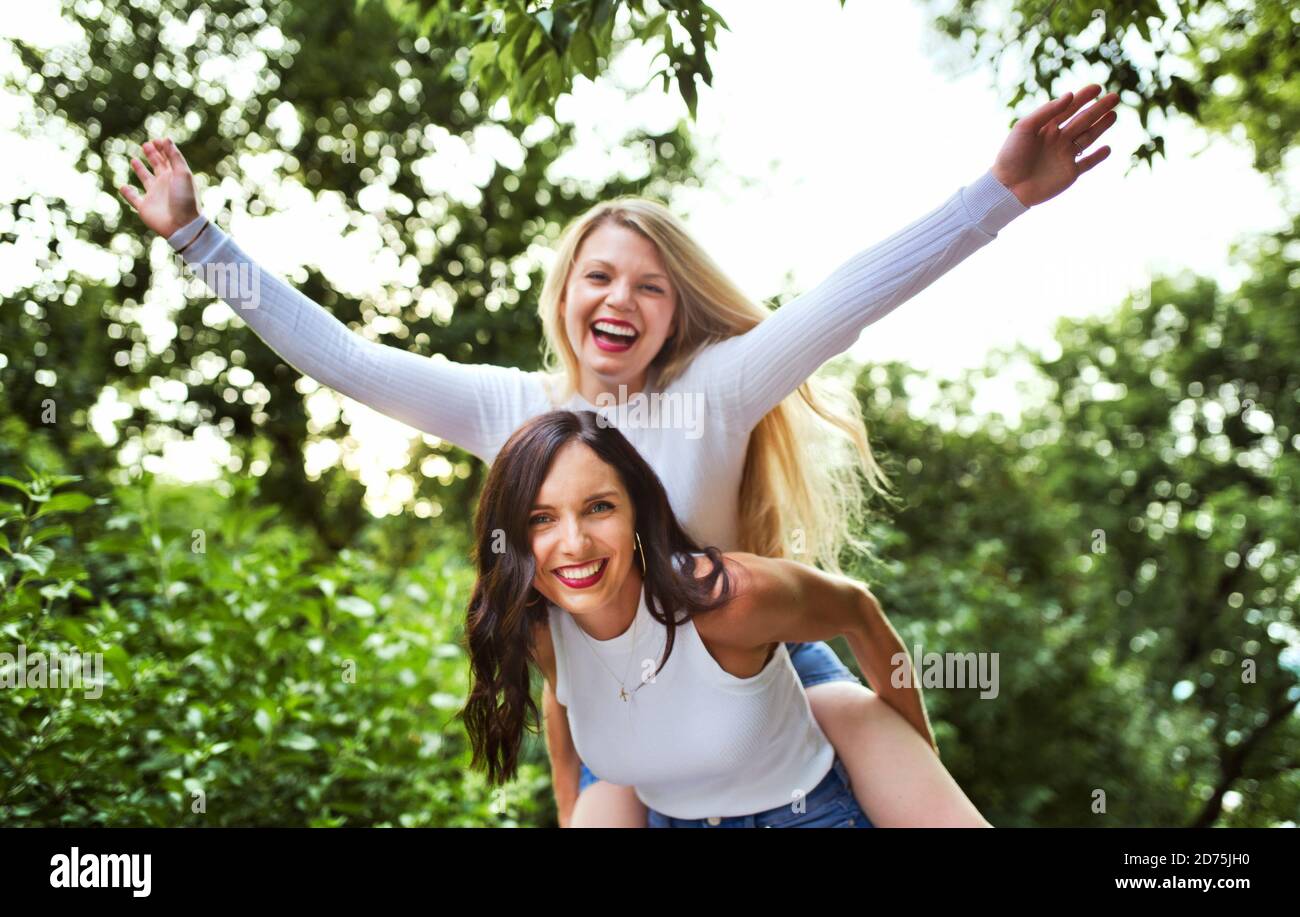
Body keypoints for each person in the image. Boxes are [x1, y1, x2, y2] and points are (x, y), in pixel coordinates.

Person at [116, 83, 1117, 825]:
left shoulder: (714, 390)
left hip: (745, 652)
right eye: (598, 276)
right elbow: (346, 359)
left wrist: (999, 195)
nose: (619, 301)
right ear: (563, 295)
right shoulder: (514, 410)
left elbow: (841, 302)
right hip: (622, 698)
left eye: (649, 286)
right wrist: (200, 240)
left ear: (676, 312)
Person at [462, 409, 990, 827]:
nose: (574, 544)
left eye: (599, 507)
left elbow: (857, 608)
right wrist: (568, 807)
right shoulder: (537, 623)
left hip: (800, 800)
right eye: (541, 519)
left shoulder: (731, 599)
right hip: (671, 806)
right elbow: (564, 696)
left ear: (638, 513)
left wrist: (919, 754)